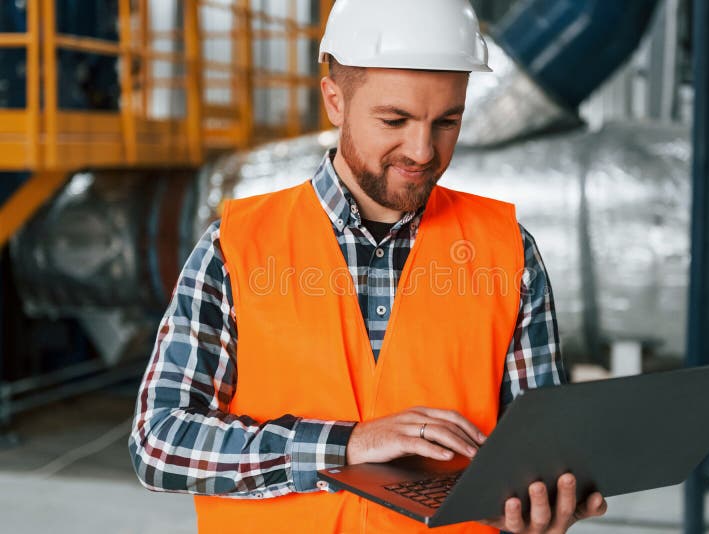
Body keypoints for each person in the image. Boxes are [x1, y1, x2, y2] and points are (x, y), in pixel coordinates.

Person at [129, 0, 608, 532]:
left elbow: (537, 450)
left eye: (447, 121)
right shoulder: (235, 247)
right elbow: (159, 441)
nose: (423, 151)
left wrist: (541, 507)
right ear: (335, 100)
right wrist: (347, 445)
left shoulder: (509, 252)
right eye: (394, 120)